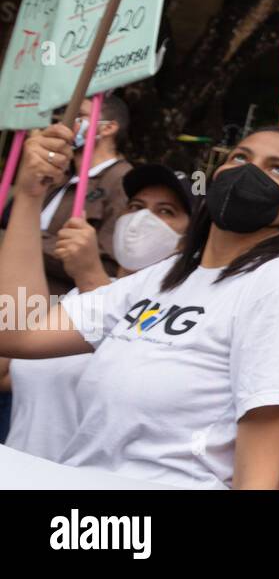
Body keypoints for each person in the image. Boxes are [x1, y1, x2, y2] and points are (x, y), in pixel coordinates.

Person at [0, 124, 279, 488]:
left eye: (277, 169)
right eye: (240, 157)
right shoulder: (159, 279)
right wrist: (30, 195)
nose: (249, 172)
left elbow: (260, 479)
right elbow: (16, 332)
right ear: (217, 174)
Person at [6, 164, 193, 461]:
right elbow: (10, 351)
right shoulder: (76, 298)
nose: (142, 219)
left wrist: (89, 275)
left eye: (166, 211)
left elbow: (123, 360)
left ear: (189, 239)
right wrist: (30, 195)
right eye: (136, 206)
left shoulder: (174, 315)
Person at [40, 95, 134, 296]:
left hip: (56, 306)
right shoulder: (62, 175)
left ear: (108, 128)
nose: (67, 124)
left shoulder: (122, 181)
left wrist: (27, 242)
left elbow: (109, 264)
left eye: (79, 116)